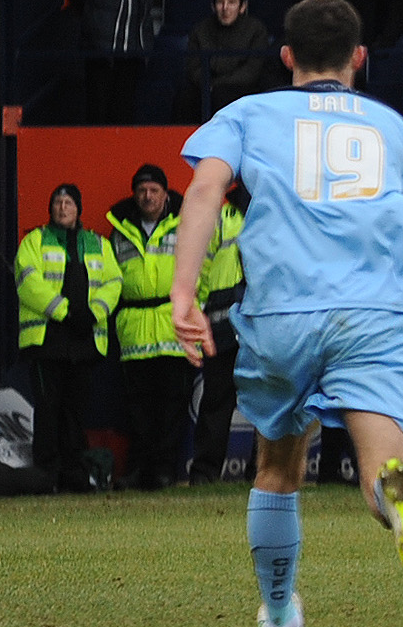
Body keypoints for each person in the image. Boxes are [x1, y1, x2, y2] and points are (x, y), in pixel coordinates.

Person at [169, 0, 403, 627]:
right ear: (360, 58)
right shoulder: (394, 131)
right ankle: (402, 497)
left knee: (276, 471)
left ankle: (281, 617)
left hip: (282, 312)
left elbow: (205, 192)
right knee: (384, 469)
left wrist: (184, 292)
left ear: (285, 56)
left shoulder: (248, 113)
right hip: (372, 313)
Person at [15, 181, 122, 492]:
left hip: (84, 340)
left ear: (78, 209)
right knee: (48, 410)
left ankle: (74, 476)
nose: (62, 208)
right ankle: (45, 476)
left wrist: (93, 312)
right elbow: (28, 281)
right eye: (58, 203)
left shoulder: (98, 243)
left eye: (69, 203)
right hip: (47, 341)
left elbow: (114, 281)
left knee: (75, 412)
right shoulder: (34, 241)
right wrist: (66, 312)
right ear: (50, 208)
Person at [105, 165, 192, 491]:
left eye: (154, 190)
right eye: (142, 190)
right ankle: (138, 471)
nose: (147, 196)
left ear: (165, 194)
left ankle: (164, 471)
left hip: (173, 327)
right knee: (137, 410)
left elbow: (203, 270)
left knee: (172, 406)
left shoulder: (184, 226)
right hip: (136, 330)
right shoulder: (120, 232)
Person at [187, 182, 248, 485]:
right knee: (216, 401)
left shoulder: (279, 213)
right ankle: (205, 474)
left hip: (266, 322)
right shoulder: (221, 216)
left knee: (272, 404)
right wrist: (196, 311)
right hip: (223, 324)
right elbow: (200, 266)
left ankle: (264, 474)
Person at [182, 0, 276, 120]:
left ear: (242, 7)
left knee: (222, 96)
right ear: (213, 6)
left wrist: (216, 85)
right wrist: (209, 86)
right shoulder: (201, 30)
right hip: (206, 88)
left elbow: (252, 71)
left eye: (231, 2)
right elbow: (193, 67)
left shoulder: (256, 30)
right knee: (184, 96)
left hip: (242, 89)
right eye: (220, 2)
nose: (225, 8)